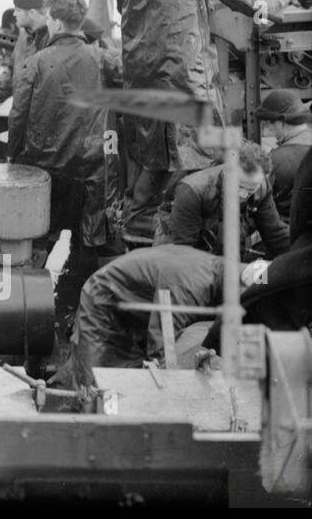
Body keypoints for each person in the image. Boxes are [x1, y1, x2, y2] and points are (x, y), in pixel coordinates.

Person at [115, 0, 272, 238]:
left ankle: (138, 220)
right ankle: (196, 222)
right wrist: (263, 4)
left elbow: (124, 12)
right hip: (187, 72)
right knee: (205, 146)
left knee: (154, 150)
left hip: (141, 76)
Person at [8, 0, 123, 339]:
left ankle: (27, 307)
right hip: (92, 169)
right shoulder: (104, 60)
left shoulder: (37, 62)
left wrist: (14, 159)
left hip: (46, 170)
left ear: (55, 22)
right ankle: (73, 309)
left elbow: (18, 115)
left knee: (39, 237)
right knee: (87, 241)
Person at [64, 244, 269, 383]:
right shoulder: (192, 287)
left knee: (128, 371)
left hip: (138, 299)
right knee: (92, 379)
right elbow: (161, 347)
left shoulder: (227, 271)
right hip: (105, 298)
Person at [152, 141, 289, 258]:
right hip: (178, 252)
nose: (242, 194)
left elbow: (275, 234)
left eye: (250, 189)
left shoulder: (261, 189)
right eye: (238, 185)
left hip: (218, 248)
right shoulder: (193, 191)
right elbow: (184, 251)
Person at [0, 0, 49, 111]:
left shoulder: (53, 42)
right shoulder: (25, 34)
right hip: (21, 113)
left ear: (32, 13)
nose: (13, 14)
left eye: (18, 10)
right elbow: (13, 70)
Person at [257, 89, 312, 221]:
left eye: (269, 123)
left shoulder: (274, 161)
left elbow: (256, 210)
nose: (268, 129)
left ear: (281, 122)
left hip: (289, 236)